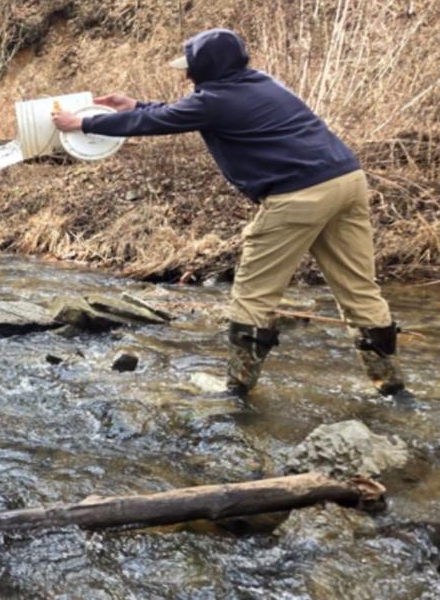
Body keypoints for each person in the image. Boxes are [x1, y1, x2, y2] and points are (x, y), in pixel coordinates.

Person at [51, 27, 406, 397]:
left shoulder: (215, 100)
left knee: (254, 293)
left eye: (190, 68)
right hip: (347, 180)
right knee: (359, 288)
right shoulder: (259, 83)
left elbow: (157, 123)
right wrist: (136, 105)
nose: (186, 75)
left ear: (205, 69)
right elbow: (175, 112)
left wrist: (83, 123)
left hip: (298, 194)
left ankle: (236, 389)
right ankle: (390, 383)